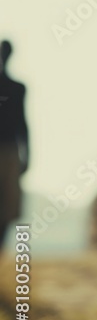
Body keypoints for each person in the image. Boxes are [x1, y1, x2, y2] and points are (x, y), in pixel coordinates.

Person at [0, 40, 29, 249]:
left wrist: (27, 155)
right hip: (10, 151)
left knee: (8, 207)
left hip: (11, 151)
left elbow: (23, 123)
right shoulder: (17, 88)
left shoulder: (18, 89)